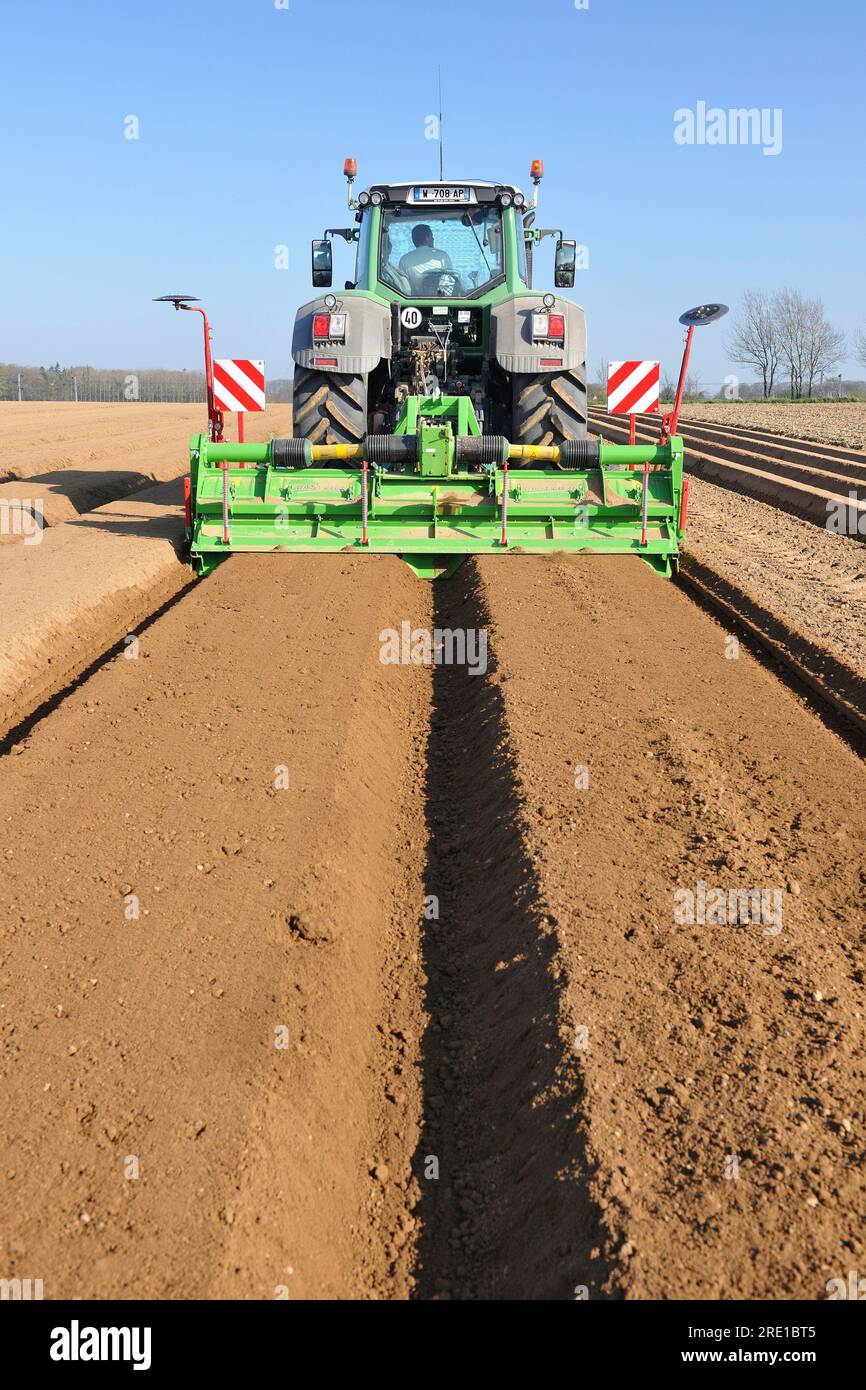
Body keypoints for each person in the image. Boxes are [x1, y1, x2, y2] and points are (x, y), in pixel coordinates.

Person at [398, 223, 455, 293]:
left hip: (414, 302)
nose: (433, 239)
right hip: (440, 301)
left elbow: (403, 287)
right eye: (432, 236)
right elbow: (451, 280)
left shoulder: (404, 259)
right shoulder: (442, 256)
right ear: (427, 238)